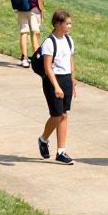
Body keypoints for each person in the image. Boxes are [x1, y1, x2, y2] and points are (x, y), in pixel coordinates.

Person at [37, 9, 76, 165]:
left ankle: (61, 152)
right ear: (58, 24)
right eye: (67, 23)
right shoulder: (49, 42)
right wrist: (56, 87)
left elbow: (70, 60)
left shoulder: (69, 40)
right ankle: (43, 139)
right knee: (57, 115)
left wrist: (72, 80)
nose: (70, 26)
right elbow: (47, 68)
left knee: (64, 115)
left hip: (66, 79)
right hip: (53, 80)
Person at [15, 0, 45, 68]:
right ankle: (37, 59)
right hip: (33, 10)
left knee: (23, 32)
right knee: (35, 33)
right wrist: (42, 10)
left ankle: (24, 58)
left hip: (21, 9)